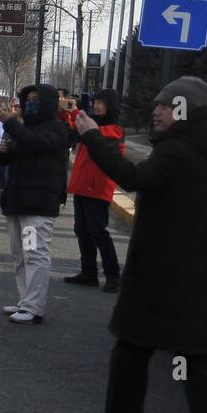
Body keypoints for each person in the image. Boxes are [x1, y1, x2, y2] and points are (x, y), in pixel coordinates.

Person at [74, 76, 207, 413]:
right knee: (193, 363)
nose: (156, 110)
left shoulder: (179, 150)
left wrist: (92, 137)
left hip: (164, 273)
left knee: (140, 352)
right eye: (157, 104)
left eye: (165, 105)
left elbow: (131, 176)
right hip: (199, 276)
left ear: (184, 110)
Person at [0, 83, 71, 324]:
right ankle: (25, 300)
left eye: (36, 99)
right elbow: (2, 159)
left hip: (37, 204)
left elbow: (36, 144)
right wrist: (3, 149)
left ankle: (34, 306)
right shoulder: (22, 128)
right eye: (29, 100)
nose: (31, 104)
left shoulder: (56, 128)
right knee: (20, 255)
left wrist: (12, 123)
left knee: (34, 253)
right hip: (17, 200)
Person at [64, 88, 124, 292]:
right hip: (82, 185)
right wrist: (74, 113)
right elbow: (76, 132)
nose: (96, 105)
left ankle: (113, 276)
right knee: (82, 231)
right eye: (95, 101)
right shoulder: (93, 123)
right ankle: (88, 273)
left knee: (98, 232)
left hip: (98, 187)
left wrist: (80, 116)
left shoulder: (115, 129)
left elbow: (91, 133)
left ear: (111, 105)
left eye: (101, 102)